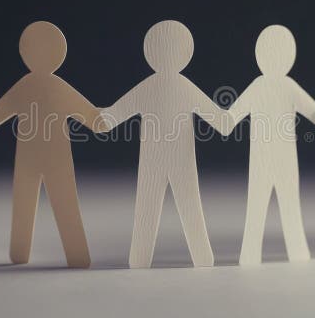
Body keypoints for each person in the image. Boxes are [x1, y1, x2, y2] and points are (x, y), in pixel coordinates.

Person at [98, 20, 232, 268]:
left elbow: (108, 119)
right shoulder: (178, 86)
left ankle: (143, 258)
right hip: (166, 160)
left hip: (164, 160)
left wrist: (86, 114)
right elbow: (222, 122)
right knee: (181, 204)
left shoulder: (153, 86)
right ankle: (200, 258)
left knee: (155, 206)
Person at [0, 21, 100, 267]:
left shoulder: (26, 85)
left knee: (27, 202)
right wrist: (106, 117)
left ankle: (20, 253)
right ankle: (74, 255)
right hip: (55, 159)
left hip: (30, 158)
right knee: (63, 202)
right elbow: (93, 119)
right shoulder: (56, 86)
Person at [227, 25, 315, 264]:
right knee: (280, 206)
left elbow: (229, 120)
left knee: (266, 205)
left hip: (269, 160)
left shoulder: (266, 85)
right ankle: (294, 253)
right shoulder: (282, 86)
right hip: (275, 160)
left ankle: (252, 255)